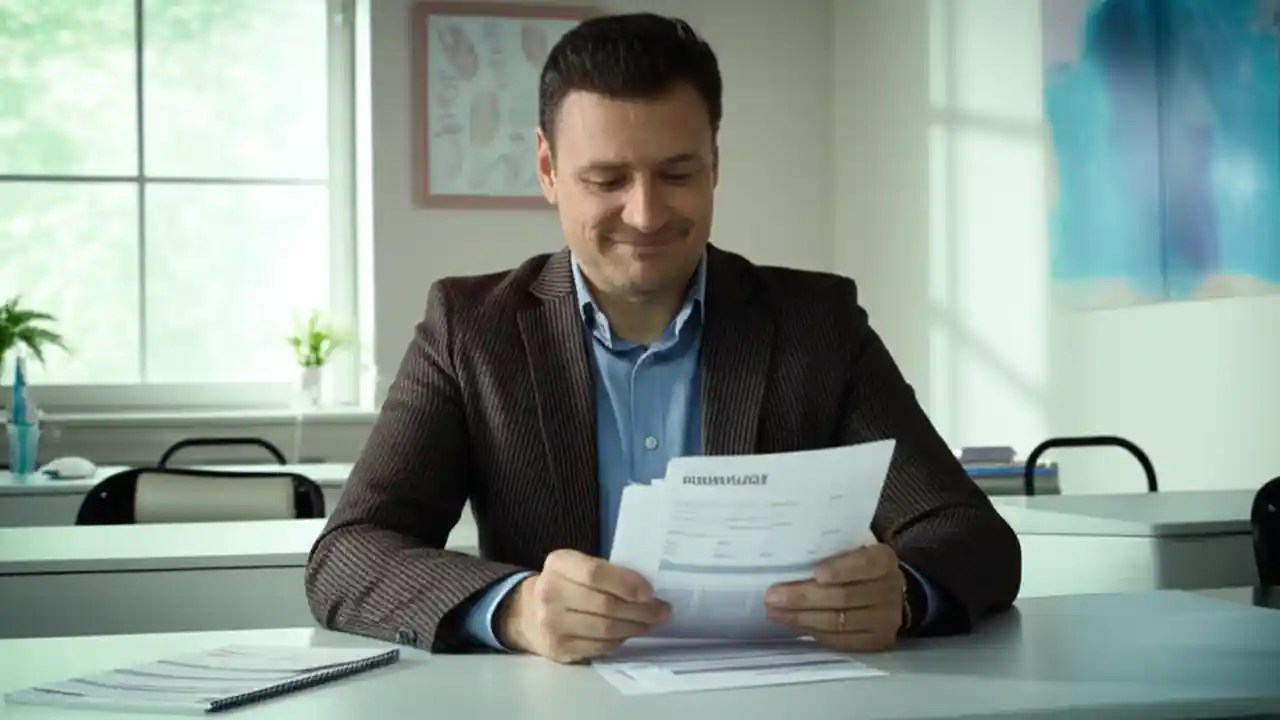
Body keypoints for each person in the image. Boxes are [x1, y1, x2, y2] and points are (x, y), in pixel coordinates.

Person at [305, 12, 1020, 664]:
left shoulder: (817, 323)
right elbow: (348, 556)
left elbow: (973, 535)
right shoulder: (471, 330)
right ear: (550, 171)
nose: (645, 215)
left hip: (785, 701)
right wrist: (516, 609)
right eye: (606, 179)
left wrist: (903, 593)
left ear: (715, 161)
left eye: (677, 173)